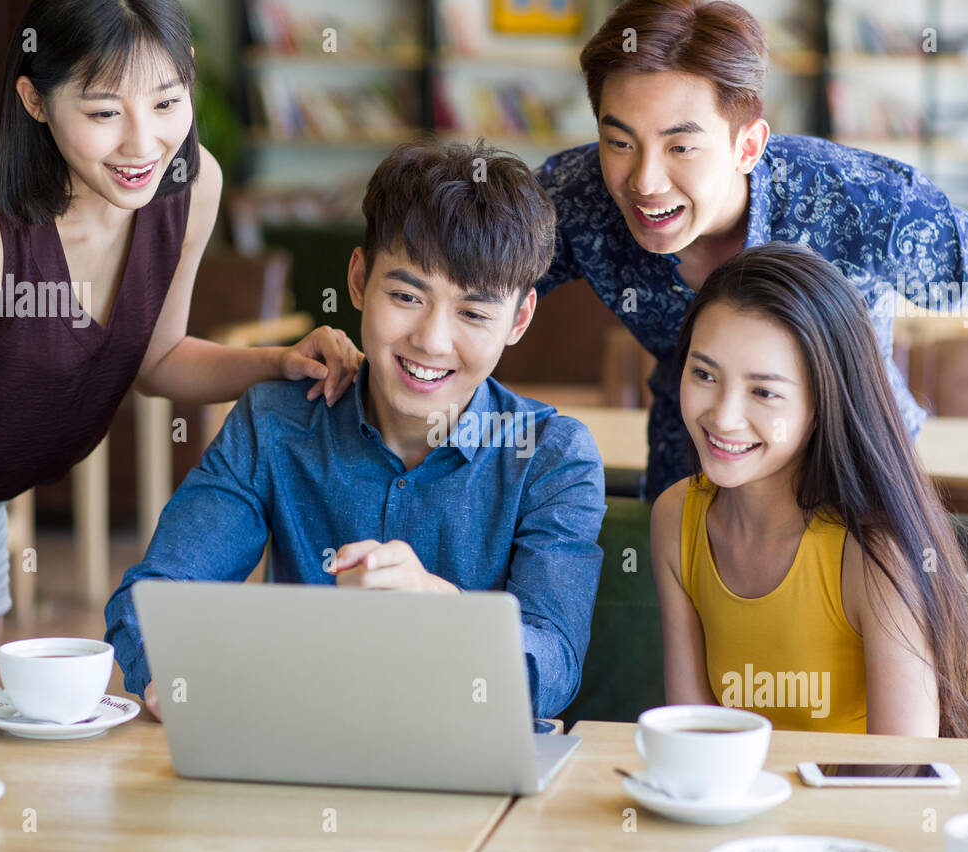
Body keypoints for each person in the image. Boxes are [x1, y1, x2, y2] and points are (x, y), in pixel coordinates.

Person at [0, 0, 361, 716]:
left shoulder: (190, 184)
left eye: (168, 101)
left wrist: (278, 361)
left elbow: (159, 359)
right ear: (35, 101)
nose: (144, 143)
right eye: (104, 112)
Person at [537, 0, 968, 584]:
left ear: (748, 146)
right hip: (695, 472)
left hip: (856, 479)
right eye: (620, 142)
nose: (644, 180)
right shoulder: (582, 196)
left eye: (681, 146)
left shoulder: (863, 204)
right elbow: (468, 283)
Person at [103, 141, 607, 720]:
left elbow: (554, 666)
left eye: (473, 313)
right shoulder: (276, 424)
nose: (432, 341)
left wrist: (445, 612)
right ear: (360, 279)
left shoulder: (552, 457)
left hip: (469, 776)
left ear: (519, 319)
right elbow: (155, 597)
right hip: (297, 764)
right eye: (407, 296)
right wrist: (174, 665)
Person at [652, 241, 968, 739]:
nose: (722, 415)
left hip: (936, 802)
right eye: (704, 374)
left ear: (824, 403)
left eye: (764, 392)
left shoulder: (875, 549)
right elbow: (693, 732)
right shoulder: (675, 518)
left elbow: (899, 767)